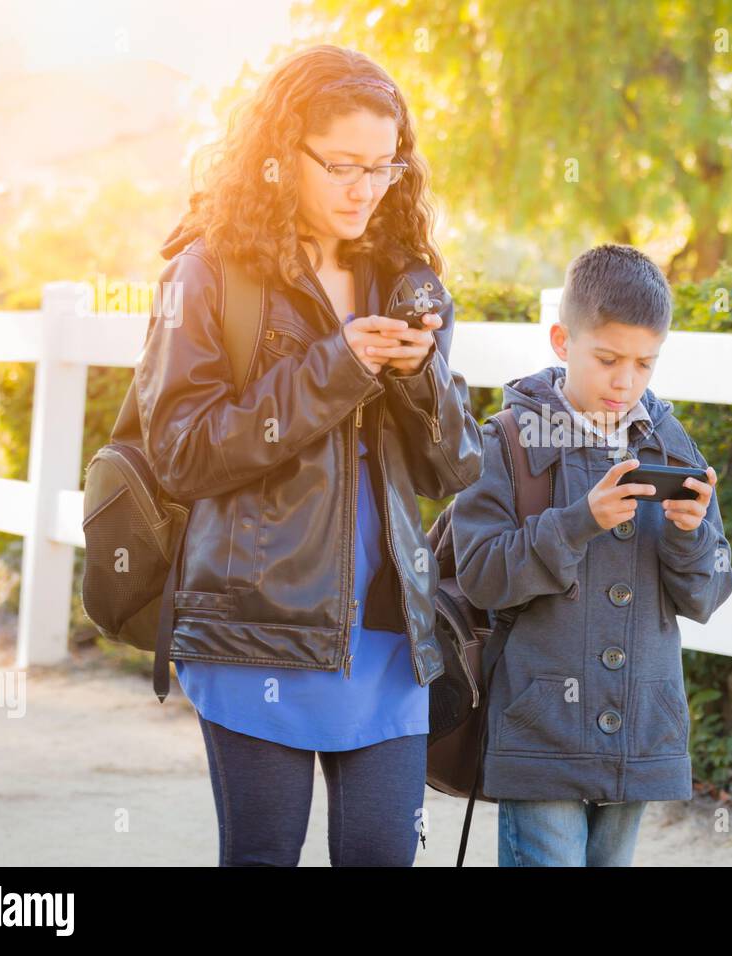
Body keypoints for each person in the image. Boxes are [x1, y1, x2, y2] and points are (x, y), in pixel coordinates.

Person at [130, 44, 483, 866]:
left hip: (390, 631)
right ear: (282, 157)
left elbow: (452, 468)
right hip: (257, 626)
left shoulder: (408, 279)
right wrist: (339, 368)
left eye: (384, 166)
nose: (366, 188)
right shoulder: (207, 272)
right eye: (343, 166)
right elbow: (181, 451)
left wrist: (419, 378)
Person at [450, 243, 732, 866]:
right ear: (562, 340)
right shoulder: (506, 441)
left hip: (639, 728)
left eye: (644, 363)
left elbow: (708, 593)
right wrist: (579, 523)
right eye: (607, 358)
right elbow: (480, 576)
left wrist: (691, 534)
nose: (625, 380)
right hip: (542, 727)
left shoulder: (670, 441)